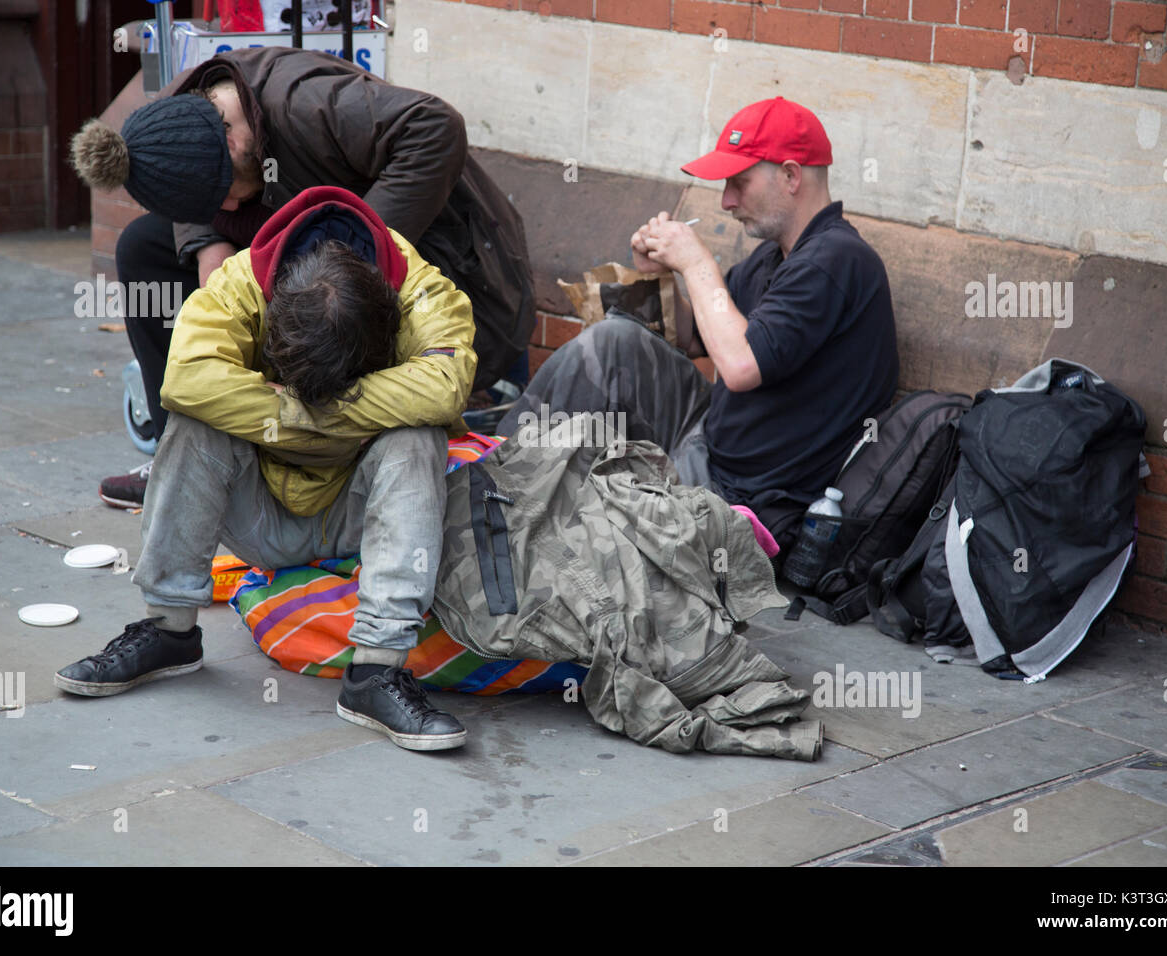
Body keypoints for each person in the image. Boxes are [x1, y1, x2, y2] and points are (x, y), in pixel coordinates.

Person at [54, 186, 476, 752]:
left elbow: (447, 387)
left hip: (360, 504)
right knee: (193, 422)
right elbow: (185, 378)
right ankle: (169, 629)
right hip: (263, 514)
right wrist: (331, 407)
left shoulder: (419, 286)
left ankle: (375, 671)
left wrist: (305, 405)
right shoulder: (240, 281)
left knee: (420, 434)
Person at [70, 46, 534, 507]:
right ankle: (183, 464)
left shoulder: (309, 103)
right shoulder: (186, 112)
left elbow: (437, 128)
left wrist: (352, 251)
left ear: (232, 143)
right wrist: (204, 242)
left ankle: (319, 442)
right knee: (144, 250)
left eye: (222, 195)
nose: (226, 209)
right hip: (293, 223)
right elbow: (191, 186)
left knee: (323, 298)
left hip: (425, 249)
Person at [497, 97, 899, 559]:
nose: (727, 201)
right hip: (710, 437)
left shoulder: (837, 260)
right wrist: (659, 275)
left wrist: (695, 260)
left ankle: (503, 507)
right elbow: (695, 340)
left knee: (583, 529)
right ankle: (496, 478)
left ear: (790, 176)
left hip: (750, 494)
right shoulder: (777, 256)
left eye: (739, 183)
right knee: (615, 342)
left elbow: (741, 364)